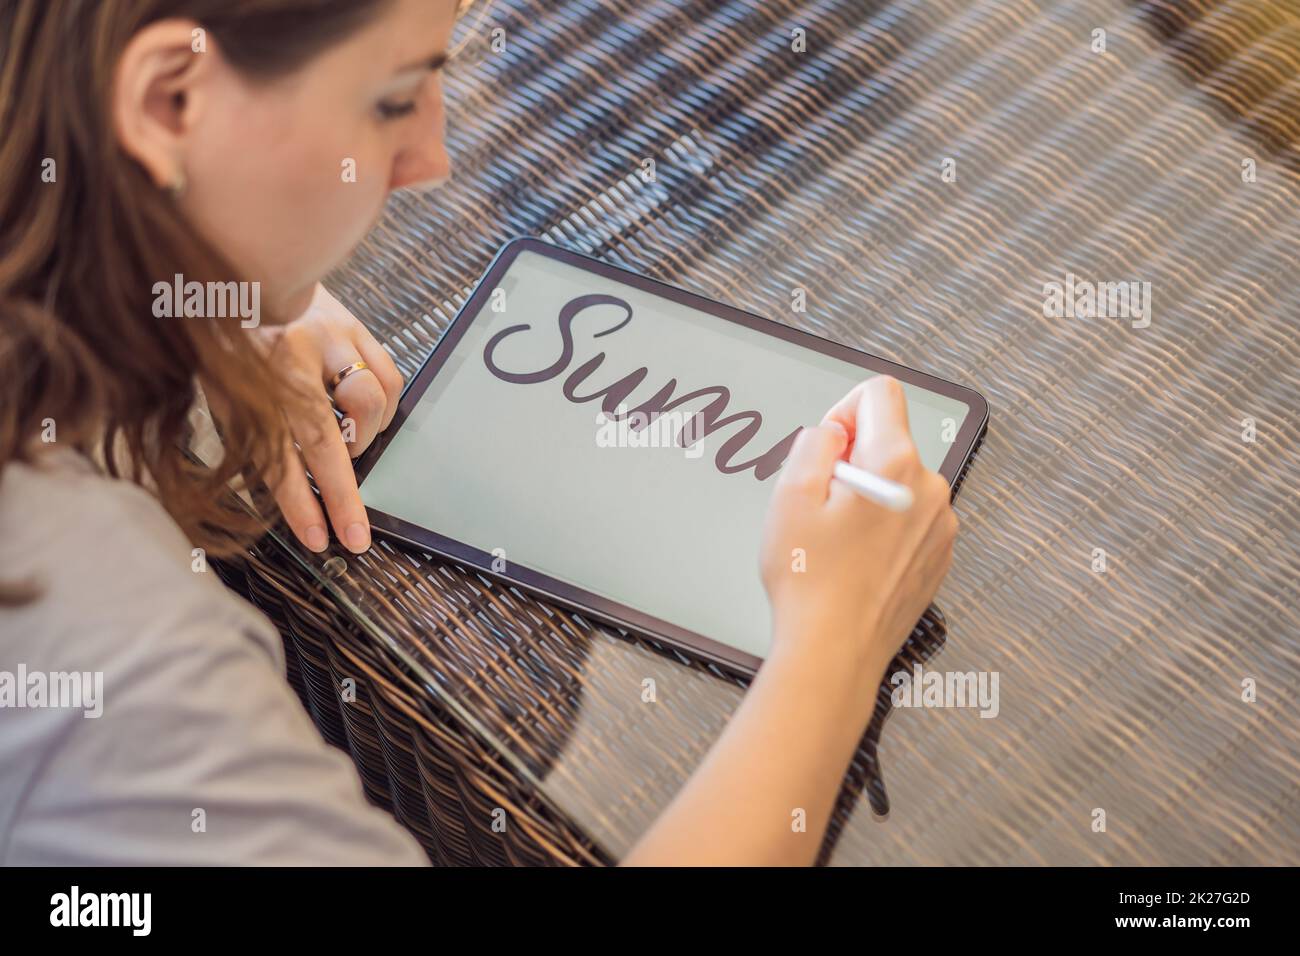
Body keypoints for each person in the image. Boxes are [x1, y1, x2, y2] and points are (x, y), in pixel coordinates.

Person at [0, 0, 957, 866]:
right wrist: (833, 644)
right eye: (392, 100)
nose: (432, 160)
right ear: (172, 102)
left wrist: (211, 263)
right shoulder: (109, 661)